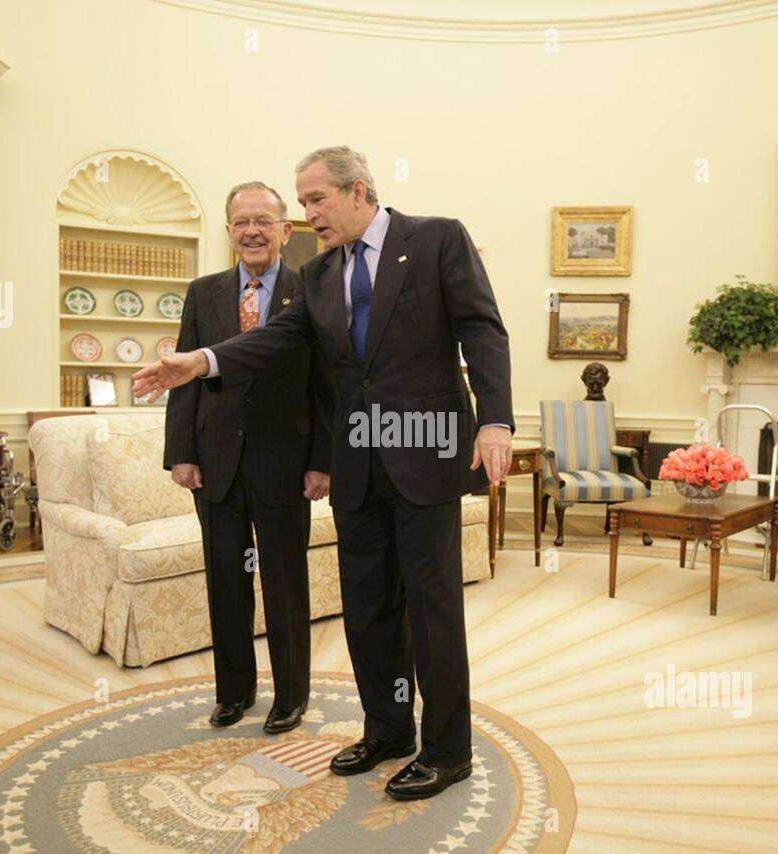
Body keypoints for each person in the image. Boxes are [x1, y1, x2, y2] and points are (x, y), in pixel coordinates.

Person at [135, 146, 513, 801]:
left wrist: (496, 419)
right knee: (368, 609)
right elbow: (278, 341)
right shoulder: (317, 276)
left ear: (358, 192)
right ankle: (387, 729)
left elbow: (482, 329)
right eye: (302, 203)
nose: (306, 216)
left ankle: (449, 750)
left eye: (314, 202)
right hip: (358, 460)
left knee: (433, 612)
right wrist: (200, 362)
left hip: (426, 456)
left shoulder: (437, 240)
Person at [163, 181, 332, 733]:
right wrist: (181, 453)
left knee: (285, 583)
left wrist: (322, 460)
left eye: (264, 220)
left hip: (285, 462)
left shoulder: (312, 289)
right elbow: (185, 378)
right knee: (226, 582)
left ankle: (291, 697)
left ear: (286, 230)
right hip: (215, 463)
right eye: (241, 221)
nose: (253, 231)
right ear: (229, 231)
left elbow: (324, 383)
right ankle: (233, 692)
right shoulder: (203, 291)